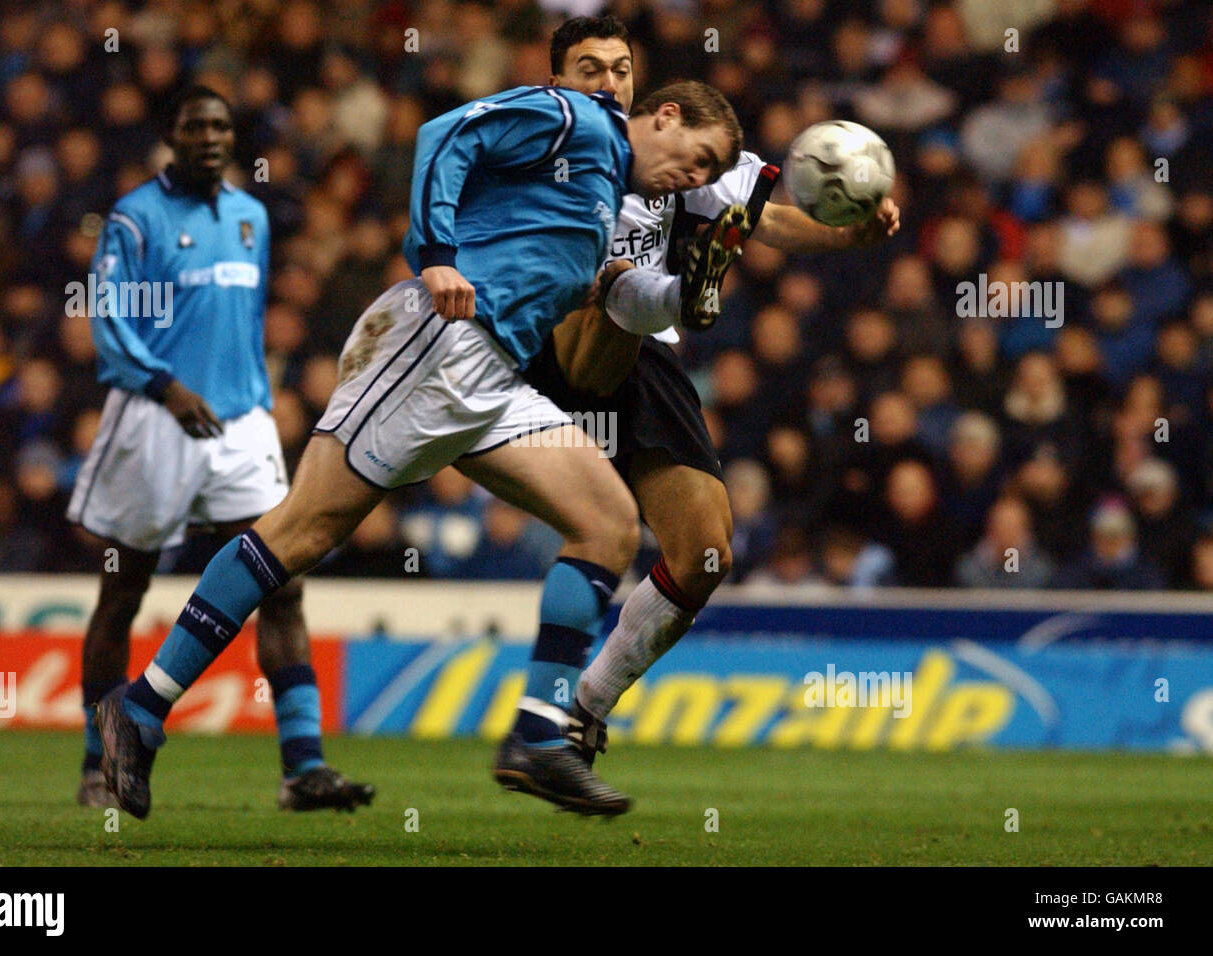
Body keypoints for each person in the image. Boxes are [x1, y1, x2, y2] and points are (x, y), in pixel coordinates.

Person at [96, 79, 744, 819]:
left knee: (608, 524)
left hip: (495, 377)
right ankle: (141, 709)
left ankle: (538, 735)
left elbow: (610, 296)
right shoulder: (577, 119)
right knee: (299, 533)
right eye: (697, 160)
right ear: (666, 117)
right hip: (440, 345)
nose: (693, 181)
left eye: (707, 177)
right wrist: (434, 253)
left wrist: (681, 296)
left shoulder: (601, 198)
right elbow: (447, 134)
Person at [527, 16, 900, 771]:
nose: (608, 82)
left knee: (704, 552)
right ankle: (663, 293)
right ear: (557, 80)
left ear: (647, 91)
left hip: (640, 357)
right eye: (589, 68)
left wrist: (848, 233)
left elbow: (777, 223)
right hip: (538, 335)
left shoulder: (687, 161)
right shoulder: (539, 139)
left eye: (621, 68)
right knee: (601, 296)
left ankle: (582, 710)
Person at [68, 85, 373, 813]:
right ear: (170, 136)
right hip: (156, 416)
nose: (209, 136)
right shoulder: (135, 218)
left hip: (242, 424)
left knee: (283, 581)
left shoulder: (249, 216)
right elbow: (107, 317)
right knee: (125, 590)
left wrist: (253, 393)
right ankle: (97, 761)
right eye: (194, 125)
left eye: (220, 126)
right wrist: (163, 385)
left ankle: (303, 768)